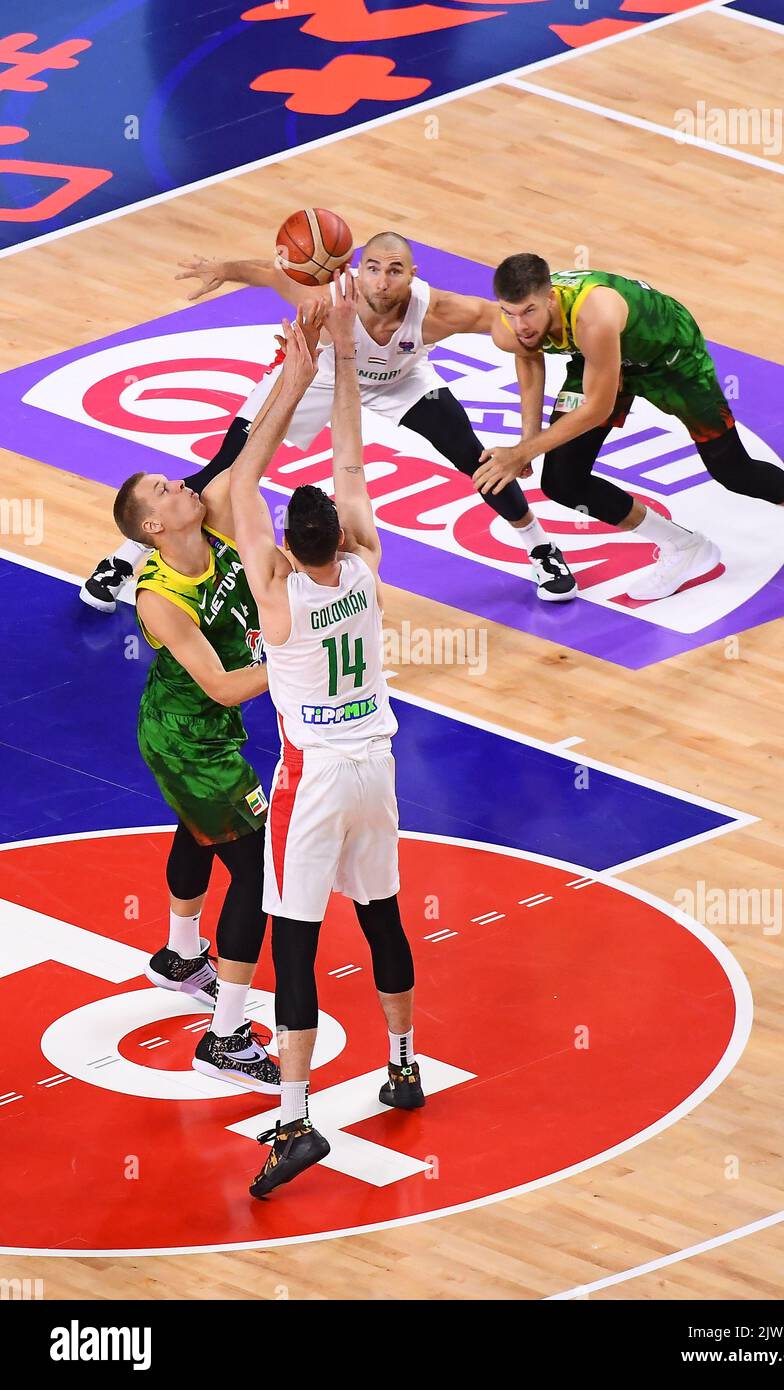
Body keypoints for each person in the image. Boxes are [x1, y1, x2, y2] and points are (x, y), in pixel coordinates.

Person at [80, 230, 577, 611]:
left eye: (395, 270)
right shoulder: (329, 295)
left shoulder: (440, 311)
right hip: (318, 374)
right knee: (224, 468)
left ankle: (542, 551)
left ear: (413, 274)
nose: (382, 281)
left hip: (401, 379)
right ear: (358, 270)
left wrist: (528, 437)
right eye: (373, 268)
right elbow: (274, 274)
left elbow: (521, 341)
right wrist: (223, 268)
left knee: (475, 457)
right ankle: (126, 558)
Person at [228, 278, 422, 1197]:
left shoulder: (278, 594)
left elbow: (236, 484)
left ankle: (297, 1121)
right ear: (339, 536)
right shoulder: (368, 569)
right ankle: (403, 1065)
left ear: (286, 547)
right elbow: (350, 454)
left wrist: (285, 378)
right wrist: (341, 353)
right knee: (380, 916)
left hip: (311, 779)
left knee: (296, 949)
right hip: (377, 765)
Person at [474, 256, 784, 599]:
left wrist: (523, 453)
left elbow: (597, 407)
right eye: (511, 313)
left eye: (529, 312)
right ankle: (684, 547)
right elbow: (528, 358)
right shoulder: (513, 324)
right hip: (603, 360)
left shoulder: (595, 316)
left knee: (732, 470)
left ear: (552, 299)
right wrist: (526, 440)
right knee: (561, 481)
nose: (521, 325)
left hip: (671, 358)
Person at [112, 435, 283, 1094]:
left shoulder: (213, 514)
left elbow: (253, 450)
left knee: (203, 830)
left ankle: (182, 956)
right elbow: (223, 687)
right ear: (153, 528)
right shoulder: (159, 596)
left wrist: (296, 377)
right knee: (259, 870)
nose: (180, 483)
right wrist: (299, 658)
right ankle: (226, 1039)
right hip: (188, 742)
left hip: (199, 732)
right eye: (163, 488)